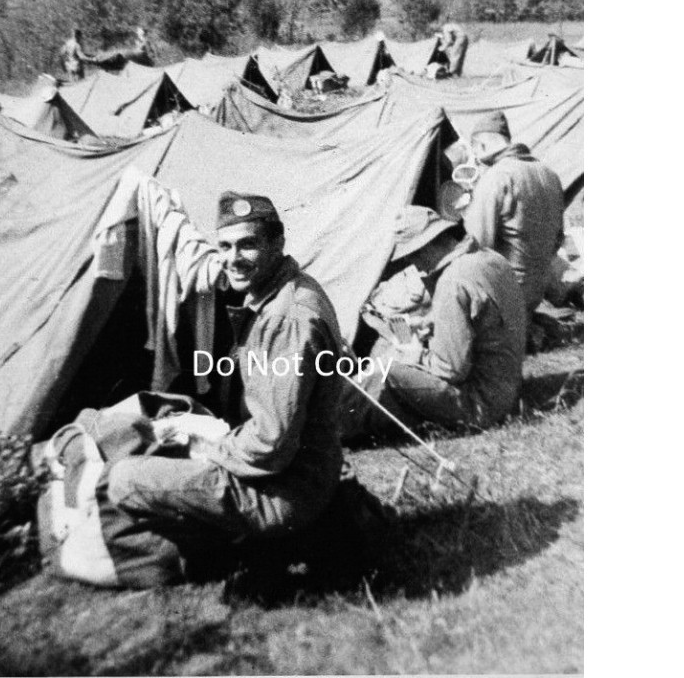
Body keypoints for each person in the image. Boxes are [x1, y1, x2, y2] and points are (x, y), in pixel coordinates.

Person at [79, 191, 346, 588]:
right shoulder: (282, 292)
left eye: (248, 244)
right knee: (176, 414)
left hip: (284, 491)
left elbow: (271, 444)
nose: (233, 258)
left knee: (124, 479)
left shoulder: (287, 319)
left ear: (277, 243)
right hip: (295, 473)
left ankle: (236, 551)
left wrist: (204, 450)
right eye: (224, 246)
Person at [340, 207, 526, 438]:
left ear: (426, 245)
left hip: (480, 404)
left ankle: (325, 429)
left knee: (385, 372)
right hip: (509, 389)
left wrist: (413, 356)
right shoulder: (491, 259)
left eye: (413, 257)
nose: (415, 266)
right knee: (393, 354)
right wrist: (432, 322)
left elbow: (450, 370)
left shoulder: (452, 282)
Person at [464, 110, 565, 313]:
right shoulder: (550, 174)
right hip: (536, 293)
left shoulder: (496, 177)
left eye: (474, 150)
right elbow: (557, 239)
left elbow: (477, 247)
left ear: (481, 145)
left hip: (506, 298)